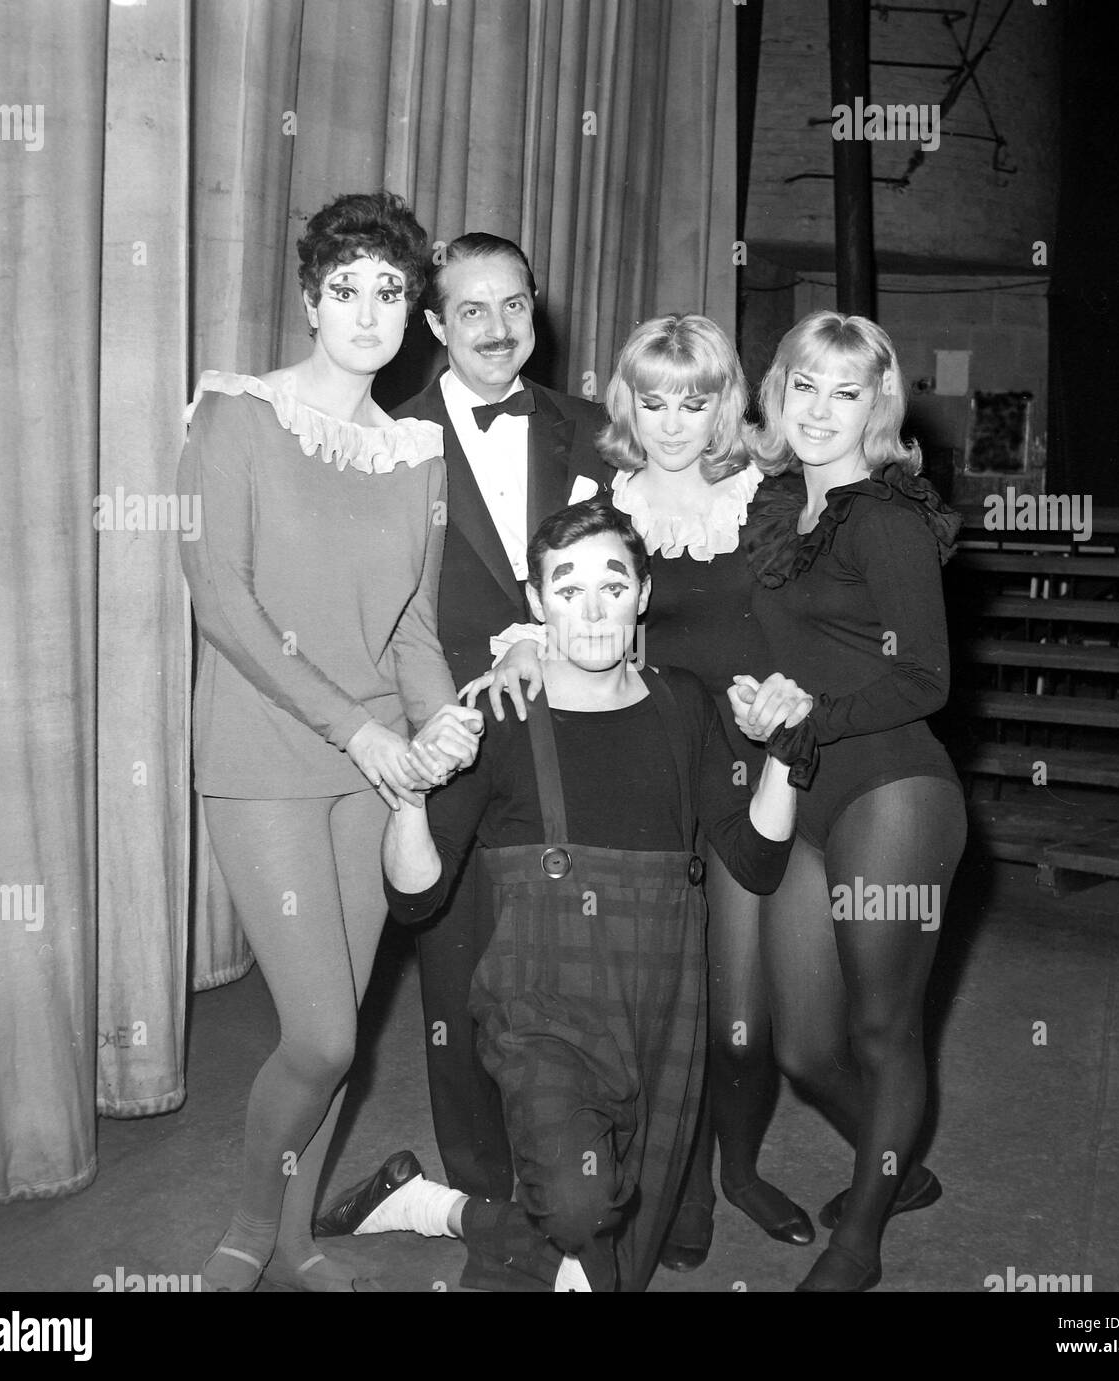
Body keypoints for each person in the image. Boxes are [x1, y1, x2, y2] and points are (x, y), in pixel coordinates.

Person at [314, 500, 806, 1291]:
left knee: (605, 1268)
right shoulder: (500, 714)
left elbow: (754, 859)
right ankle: (464, 1216)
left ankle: (434, 1206)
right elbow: (414, 898)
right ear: (538, 605)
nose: (592, 607)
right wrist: (408, 796)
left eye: (613, 583)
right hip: (542, 1006)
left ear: (642, 594)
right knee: (580, 1213)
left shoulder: (683, 703)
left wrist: (786, 753)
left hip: (664, 1011)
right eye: (566, 588)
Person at [177, 191, 482, 1292]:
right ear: (310, 299)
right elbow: (226, 602)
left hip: (377, 773)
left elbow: (411, 624)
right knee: (320, 1036)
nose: (367, 309)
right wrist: (360, 733)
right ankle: (250, 1226)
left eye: (390, 291)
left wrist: (440, 726)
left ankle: (298, 1236)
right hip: (268, 755)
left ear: (414, 312)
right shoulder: (236, 413)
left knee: (340, 1030)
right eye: (345, 287)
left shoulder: (416, 454)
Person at [477, 315, 815, 1268]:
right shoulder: (604, 489)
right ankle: (681, 1200)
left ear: (726, 404)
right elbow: (562, 585)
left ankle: (727, 1172)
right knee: (676, 995)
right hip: (655, 755)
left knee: (737, 1016)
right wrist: (520, 645)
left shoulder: (770, 496)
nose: (673, 423)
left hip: (751, 754)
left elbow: (822, 610)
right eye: (655, 401)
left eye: (696, 401)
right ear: (628, 402)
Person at [736, 309, 966, 1291]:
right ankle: (896, 1163)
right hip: (802, 788)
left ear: (878, 406)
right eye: (804, 385)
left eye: (847, 390)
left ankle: (859, 1242)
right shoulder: (773, 506)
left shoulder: (886, 517)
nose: (821, 409)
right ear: (778, 393)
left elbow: (925, 679)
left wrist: (811, 714)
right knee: (803, 1048)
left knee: (881, 1029)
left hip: (891, 791)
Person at [390, 234, 609, 1203]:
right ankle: (482, 1192)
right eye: (469, 310)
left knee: (576, 969)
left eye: (512, 305)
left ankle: (582, 1178)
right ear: (435, 325)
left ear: (536, 311)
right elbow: (386, 612)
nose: (495, 327)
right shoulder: (391, 440)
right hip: (460, 735)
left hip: (579, 736)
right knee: (461, 971)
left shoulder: (594, 428)